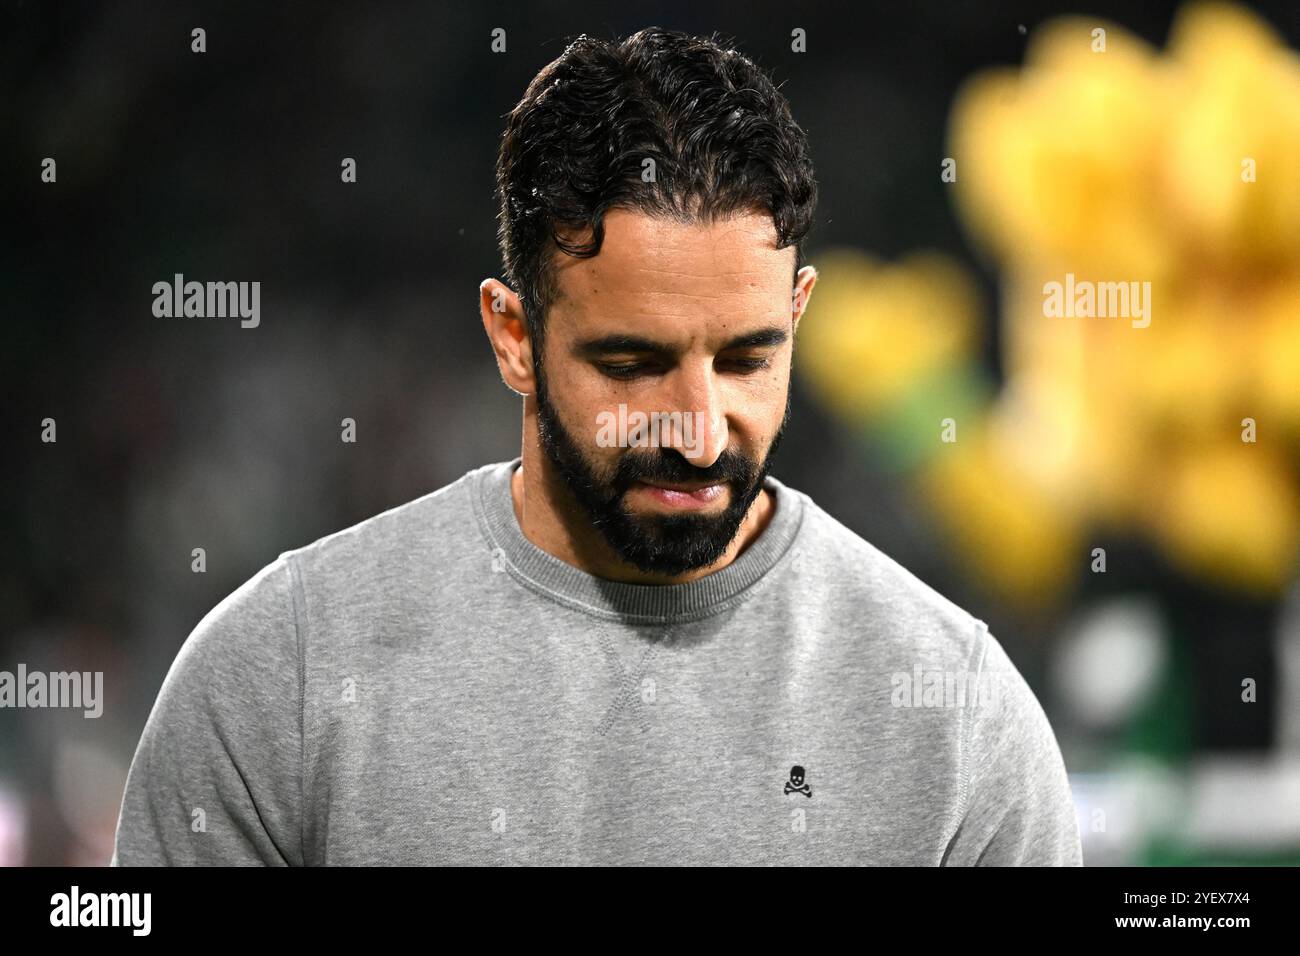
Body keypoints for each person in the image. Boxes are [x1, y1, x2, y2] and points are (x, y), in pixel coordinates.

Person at [111, 27, 1082, 866]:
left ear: (800, 313)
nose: (700, 433)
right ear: (512, 337)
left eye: (747, 358)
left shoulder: (956, 715)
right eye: (631, 363)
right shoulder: (277, 677)